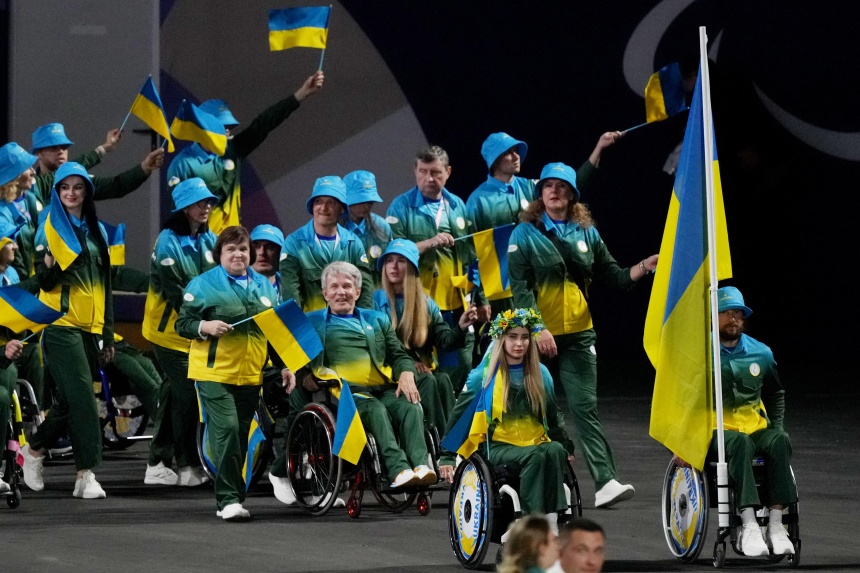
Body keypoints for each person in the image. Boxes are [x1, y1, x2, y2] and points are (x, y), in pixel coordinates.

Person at [508, 162, 658, 508]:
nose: (555, 191)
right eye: (548, 186)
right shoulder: (524, 234)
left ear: (573, 194)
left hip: (579, 335)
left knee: (585, 406)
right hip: (534, 338)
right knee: (535, 407)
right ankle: (540, 481)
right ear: (540, 194)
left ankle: (606, 482)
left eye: (562, 186)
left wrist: (642, 268)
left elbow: (614, 277)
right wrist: (537, 329)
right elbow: (520, 291)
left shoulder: (586, 232)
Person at [268, 261, 434, 507]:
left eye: (347, 286)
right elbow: (288, 354)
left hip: (383, 387)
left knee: (409, 405)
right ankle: (398, 470)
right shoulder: (310, 322)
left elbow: (399, 355)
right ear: (325, 293)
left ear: (357, 292)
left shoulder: (377, 319)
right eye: (333, 286)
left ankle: (421, 466)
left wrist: (406, 372)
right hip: (341, 393)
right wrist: (298, 375)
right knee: (375, 410)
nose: (341, 292)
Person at [175, 225, 295, 521]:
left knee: (240, 435)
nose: (238, 254)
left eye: (243, 249)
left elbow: (275, 330)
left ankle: (234, 497)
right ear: (220, 255)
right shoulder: (202, 285)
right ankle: (227, 500)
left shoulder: (265, 286)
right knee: (227, 428)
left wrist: (285, 365)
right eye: (231, 249)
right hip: (213, 372)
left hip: (250, 373)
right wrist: (205, 327)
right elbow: (183, 324)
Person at [21, 162, 116, 499]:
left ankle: (32, 451)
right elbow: (44, 281)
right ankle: (86, 474)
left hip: (91, 327)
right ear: (57, 192)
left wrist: (107, 331)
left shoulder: (97, 230)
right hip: (59, 324)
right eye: (65, 187)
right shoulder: (48, 228)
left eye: (78, 187)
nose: (72, 193)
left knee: (69, 402)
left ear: (86, 192)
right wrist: (49, 264)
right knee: (85, 401)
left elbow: (105, 283)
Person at [466, 131, 623, 318]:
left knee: (540, 342)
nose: (517, 156)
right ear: (495, 160)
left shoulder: (531, 187)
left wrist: (598, 149)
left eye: (517, 150)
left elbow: (573, 185)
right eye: (509, 152)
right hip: (500, 290)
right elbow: (471, 254)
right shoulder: (477, 200)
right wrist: (481, 299)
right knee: (507, 345)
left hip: (536, 285)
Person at [439, 308, 575, 521]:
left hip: (533, 439)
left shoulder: (541, 374)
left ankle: (551, 519)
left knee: (555, 450)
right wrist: (447, 456)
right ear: (501, 340)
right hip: (497, 445)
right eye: (512, 337)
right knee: (537, 455)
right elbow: (460, 415)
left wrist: (563, 443)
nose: (519, 343)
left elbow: (551, 414)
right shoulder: (482, 378)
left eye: (524, 337)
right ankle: (532, 521)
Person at [166, 71, 324, 234]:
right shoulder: (182, 164)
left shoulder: (233, 149)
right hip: (200, 246)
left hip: (232, 242)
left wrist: (300, 95)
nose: (228, 132)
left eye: (230, 128)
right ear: (205, 128)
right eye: (223, 127)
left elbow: (264, 124)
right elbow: (177, 212)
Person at [707, 286, 796, 556]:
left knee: (780, 440)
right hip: (715, 431)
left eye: (737, 313)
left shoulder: (762, 353)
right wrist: (679, 443)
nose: (732, 318)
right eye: (725, 313)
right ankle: (749, 524)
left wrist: (776, 426)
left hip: (754, 428)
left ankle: (777, 524)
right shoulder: (699, 354)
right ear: (713, 317)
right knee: (740, 443)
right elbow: (679, 400)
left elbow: (775, 393)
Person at [141, 178, 218, 487]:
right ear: (186, 208)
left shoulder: (209, 238)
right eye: (201, 203)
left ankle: (157, 462)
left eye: (209, 202)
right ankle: (186, 464)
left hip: (196, 332)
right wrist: (208, 323)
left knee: (174, 394)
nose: (207, 207)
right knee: (186, 394)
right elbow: (178, 296)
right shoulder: (167, 242)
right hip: (169, 333)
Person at [386, 145, 483, 390]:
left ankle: (453, 424)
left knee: (460, 369)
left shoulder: (458, 205)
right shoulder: (401, 206)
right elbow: (393, 254)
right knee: (425, 373)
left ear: (448, 172)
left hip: (455, 304)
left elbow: (473, 256)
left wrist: (481, 299)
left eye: (436, 172)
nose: (429, 178)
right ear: (415, 171)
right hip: (419, 306)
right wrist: (428, 243)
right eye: (423, 171)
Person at [373, 238, 478, 430]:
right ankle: (438, 445)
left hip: (422, 369)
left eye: (401, 261)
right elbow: (378, 346)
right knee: (429, 380)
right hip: (389, 371)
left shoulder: (426, 303)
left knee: (444, 379)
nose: (393, 267)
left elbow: (444, 340)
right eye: (389, 260)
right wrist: (409, 363)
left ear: (412, 268)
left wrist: (461, 327)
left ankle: (454, 438)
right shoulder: (374, 302)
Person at [280, 176, 373, 311]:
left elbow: (365, 291)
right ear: (312, 206)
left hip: (347, 327)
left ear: (341, 208)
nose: (324, 208)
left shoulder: (353, 243)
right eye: (318, 201)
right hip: (311, 327)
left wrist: (364, 327)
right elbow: (290, 296)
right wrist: (301, 331)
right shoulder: (293, 243)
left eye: (331, 202)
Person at [342, 169, 391, 289]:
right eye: (360, 201)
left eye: (370, 202)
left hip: (376, 299)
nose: (366, 206)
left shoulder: (383, 228)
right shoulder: (332, 229)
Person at [250, 224, 284, 297]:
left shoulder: (293, 290)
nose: (262, 252)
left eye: (270, 248)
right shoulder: (234, 289)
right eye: (256, 246)